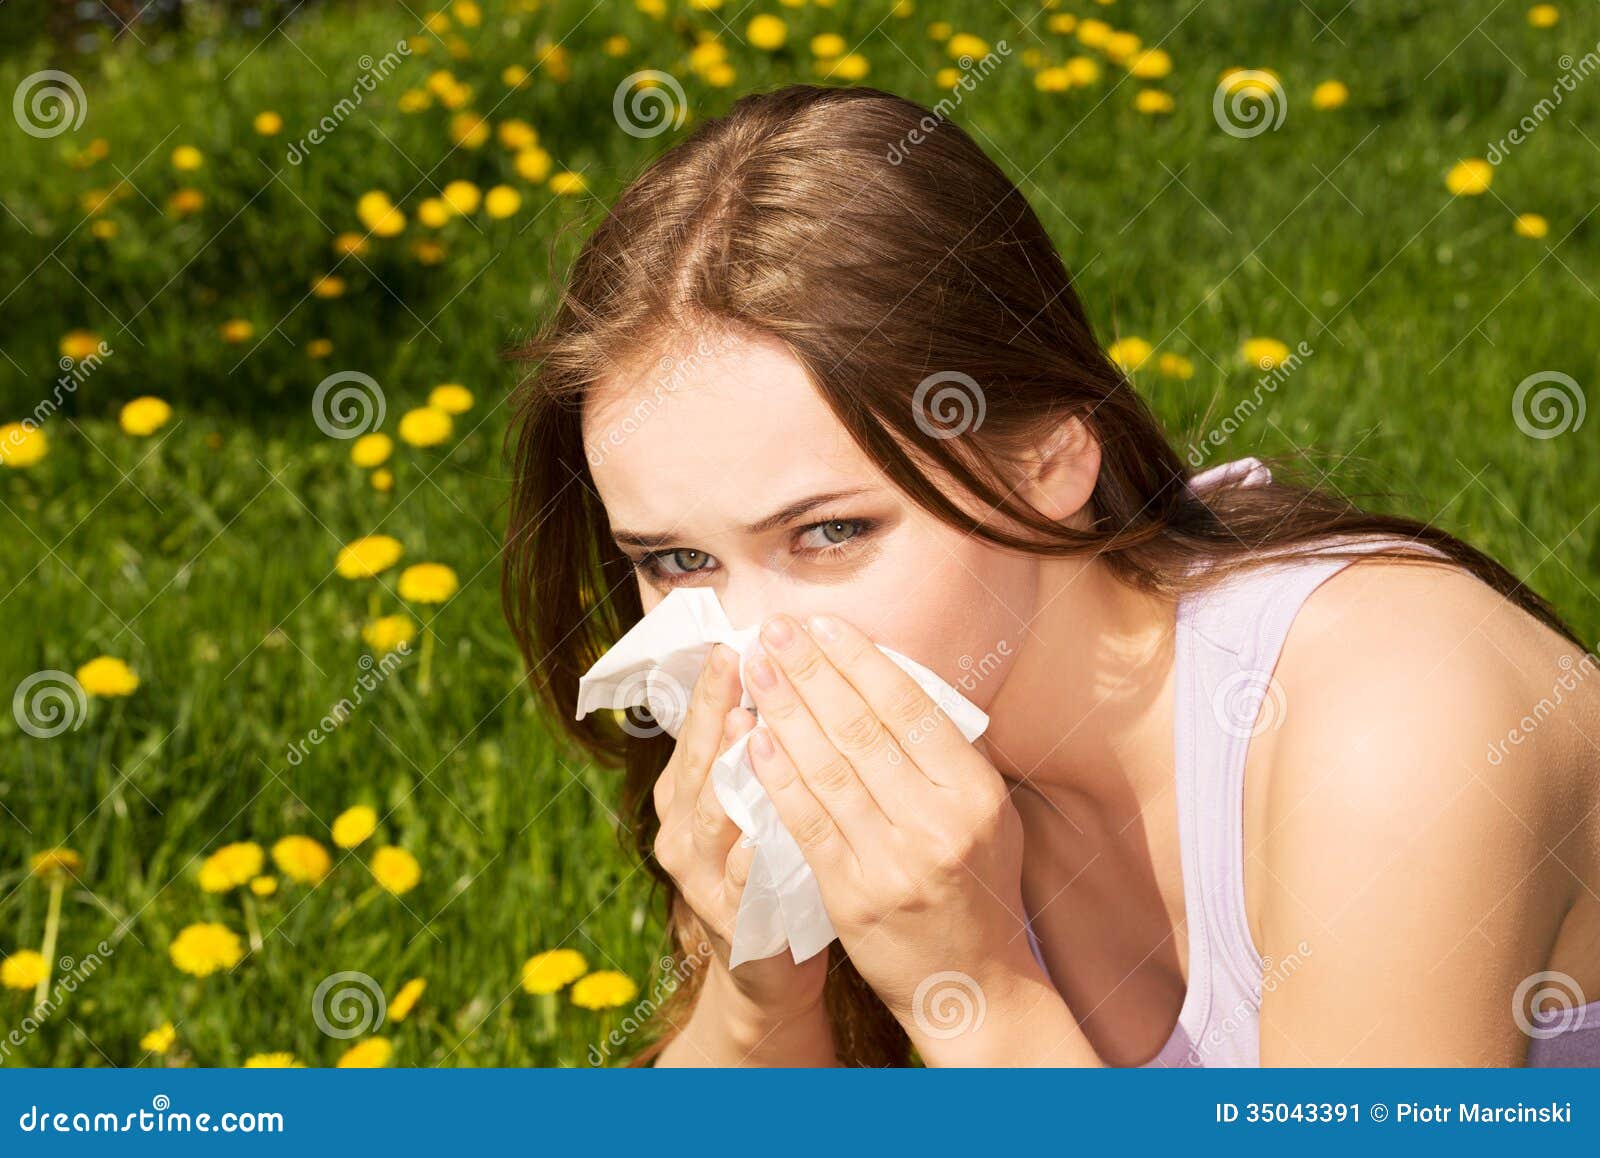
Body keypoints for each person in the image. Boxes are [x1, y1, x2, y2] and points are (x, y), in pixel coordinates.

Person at [501, 85, 1599, 1066]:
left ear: (1050, 460)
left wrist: (974, 999)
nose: (752, 646)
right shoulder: (872, 792)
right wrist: (757, 1004)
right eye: (678, 561)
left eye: (829, 534)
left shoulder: (1394, 721)